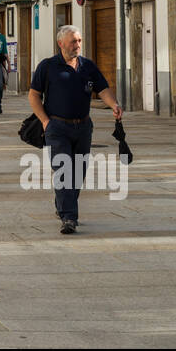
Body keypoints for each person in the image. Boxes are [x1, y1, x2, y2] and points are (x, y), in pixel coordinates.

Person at [29, 25, 123, 235]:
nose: (77, 45)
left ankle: (63, 205)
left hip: (83, 127)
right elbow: (34, 95)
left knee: (78, 172)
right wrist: (45, 121)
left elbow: (103, 89)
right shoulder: (48, 66)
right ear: (61, 43)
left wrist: (113, 105)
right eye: (73, 41)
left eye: (79, 41)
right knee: (64, 170)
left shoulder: (87, 66)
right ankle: (69, 217)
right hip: (57, 127)